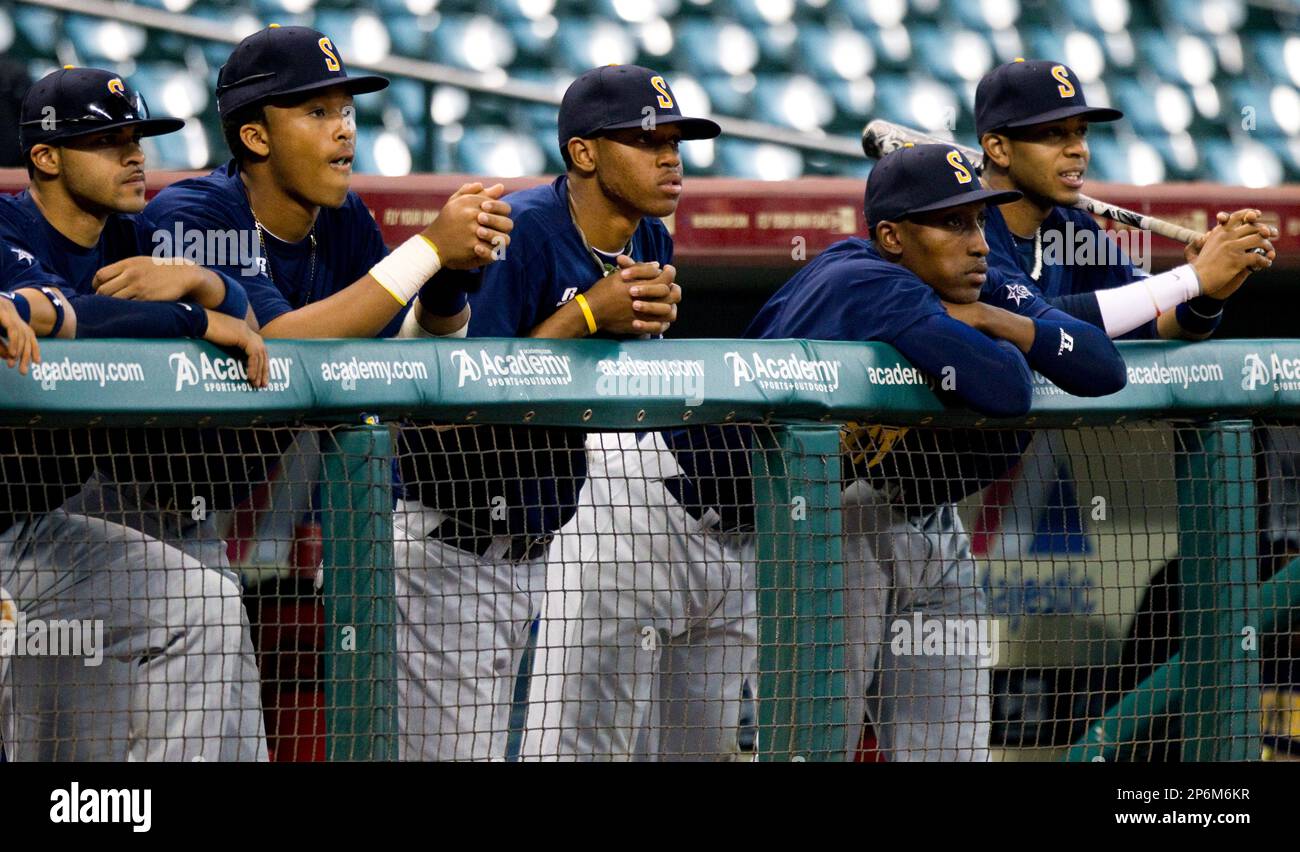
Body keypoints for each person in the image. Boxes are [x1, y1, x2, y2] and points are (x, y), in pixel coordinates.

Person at [395, 63, 695, 760]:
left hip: (539, 551)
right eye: (647, 141)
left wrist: (641, 326)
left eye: (676, 142)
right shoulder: (518, 231)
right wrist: (591, 312)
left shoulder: (651, 239)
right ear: (584, 152)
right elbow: (467, 394)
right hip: (450, 546)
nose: (670, 157)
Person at [0, 67, 268, 761]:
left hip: (33, 532)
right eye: (107, 139)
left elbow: (258, 331)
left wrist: (213, 285)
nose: (133, 155)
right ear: (46, 157)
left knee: (201, 605)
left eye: (137, 138)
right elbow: (70, 315)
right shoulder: (4, 223)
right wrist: (190, 318)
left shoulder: (129, 239)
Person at [974, 58, 1274, 342]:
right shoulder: (963, 224)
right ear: (998, 149)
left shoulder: (1070, 226)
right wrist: (1192, 278)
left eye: (1081, 132)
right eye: (1054, 134)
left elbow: (1148, 320)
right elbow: (1030, 323)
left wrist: (1208, 294)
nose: (1079, 149)